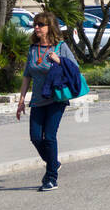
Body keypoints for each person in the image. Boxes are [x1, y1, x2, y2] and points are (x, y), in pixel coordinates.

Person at [18, 11, 74, 191]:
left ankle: (51, 177)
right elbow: (27, 75)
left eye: (40, 24)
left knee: (49, 137)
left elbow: (75, 68)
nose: (36, 27)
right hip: (37, 100)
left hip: (56, 99)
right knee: (35, 137)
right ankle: (53, 162)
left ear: (50, 27)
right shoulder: (33, 49)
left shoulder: (60, 46)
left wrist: (59, 60)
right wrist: (21, 100)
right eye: (35, 24)